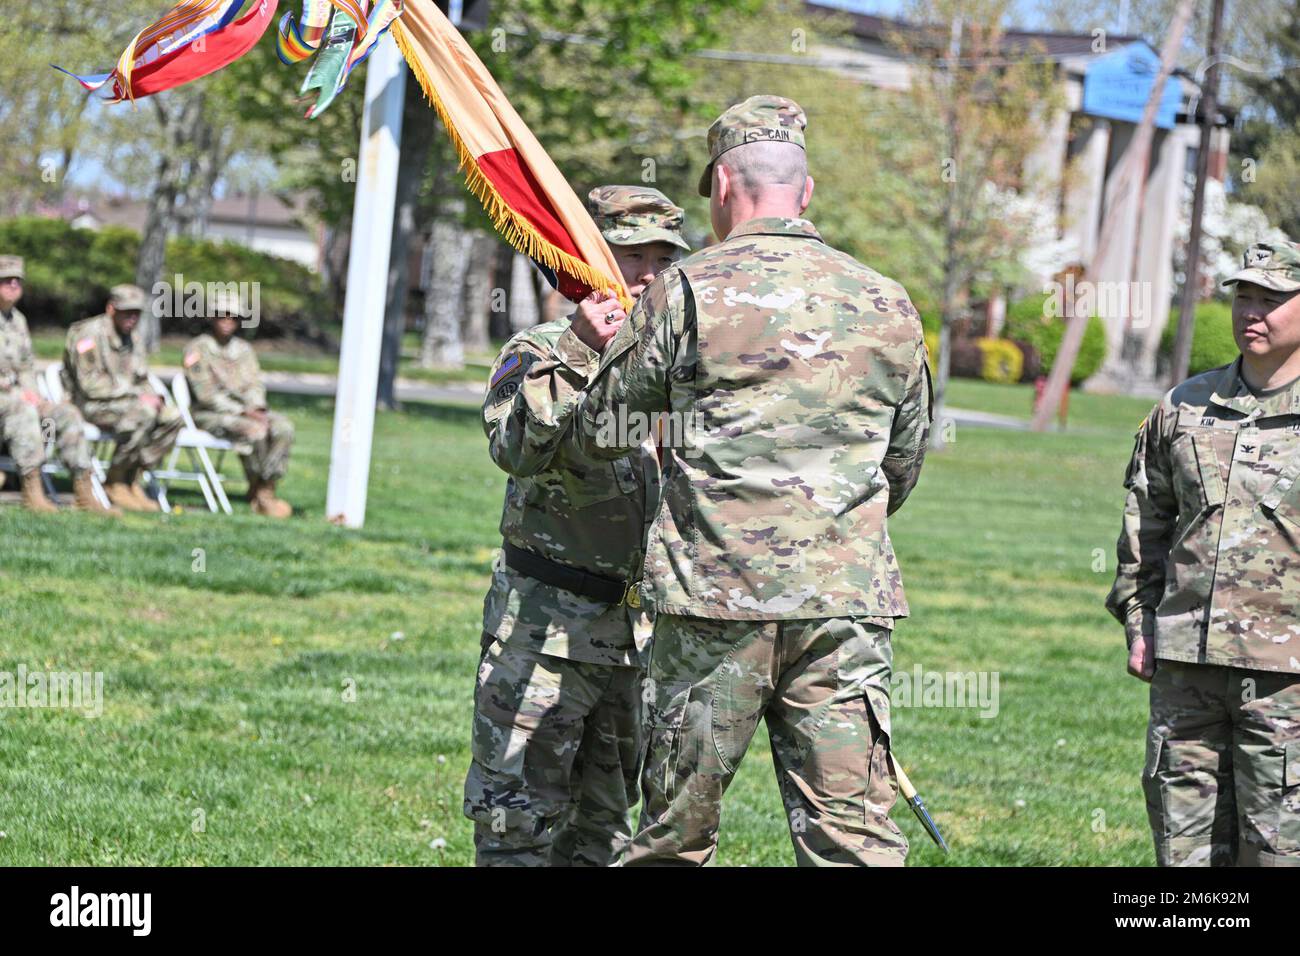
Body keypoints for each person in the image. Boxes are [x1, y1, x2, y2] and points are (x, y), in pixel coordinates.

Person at [544, 95, 932, 865]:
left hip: (711, 601)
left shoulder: (683, 291)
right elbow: (905, 456)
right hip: (843, 604)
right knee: (853, 837)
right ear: (807, 191)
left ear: (723, 186)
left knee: (673, 840)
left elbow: (600, 428)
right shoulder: (887, 300)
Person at [464, 185, 690, 866]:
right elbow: (513, 449)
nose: (649, 273)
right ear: (593, 259)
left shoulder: (676, 367)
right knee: (517, 829)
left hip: (638, 645)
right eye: (631, 255)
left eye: (662, 257)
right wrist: (579, 351)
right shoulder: (541, 348)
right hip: (545, 633)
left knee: (605, 838)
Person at [1107, 239, 1300, 868]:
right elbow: (1146, 523)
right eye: (1245, 295)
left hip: (1287, 681)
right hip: (1187, 670)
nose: (1254, 311)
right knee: (1184, 856)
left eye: (1273, 298)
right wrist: (1141, 622)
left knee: (1278, 852)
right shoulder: (1185, 409)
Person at [0, 254, 117, 515]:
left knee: (66, 413)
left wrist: (34, 394)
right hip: (7, 402)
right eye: (5, 280)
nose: (12, 286)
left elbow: (27, 366)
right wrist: (21, 395)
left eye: (17, 281)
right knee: (23, 410)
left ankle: (84, 491)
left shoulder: (18, 321)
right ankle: (32, 490)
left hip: (19, 398)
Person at [63, 284, 182, 513]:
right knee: (143, 413)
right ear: (111, 309)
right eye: (127, 312)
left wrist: (154, 396)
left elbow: (141, 378)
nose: (132, 318)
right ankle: (115, 481)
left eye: (137, 313)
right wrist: (139, 395)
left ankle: (132, 475)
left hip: (124, 404)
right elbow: (89, 386)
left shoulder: (133, 338)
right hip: (89, 404)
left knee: (173, 417)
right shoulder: (87, 335)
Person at [183, 290, 294, 518]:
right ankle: (259, 491)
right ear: (212, 317)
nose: (227, 321)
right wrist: (243, 411)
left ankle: (266, 487)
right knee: (255, 430)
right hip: (209, 414)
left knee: (283, 427)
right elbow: (205, 396)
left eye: (232, 317)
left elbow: (254, 384)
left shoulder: (244, 350)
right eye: (222, 316)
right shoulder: (197, 349)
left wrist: (257, 407)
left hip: (248, 412)